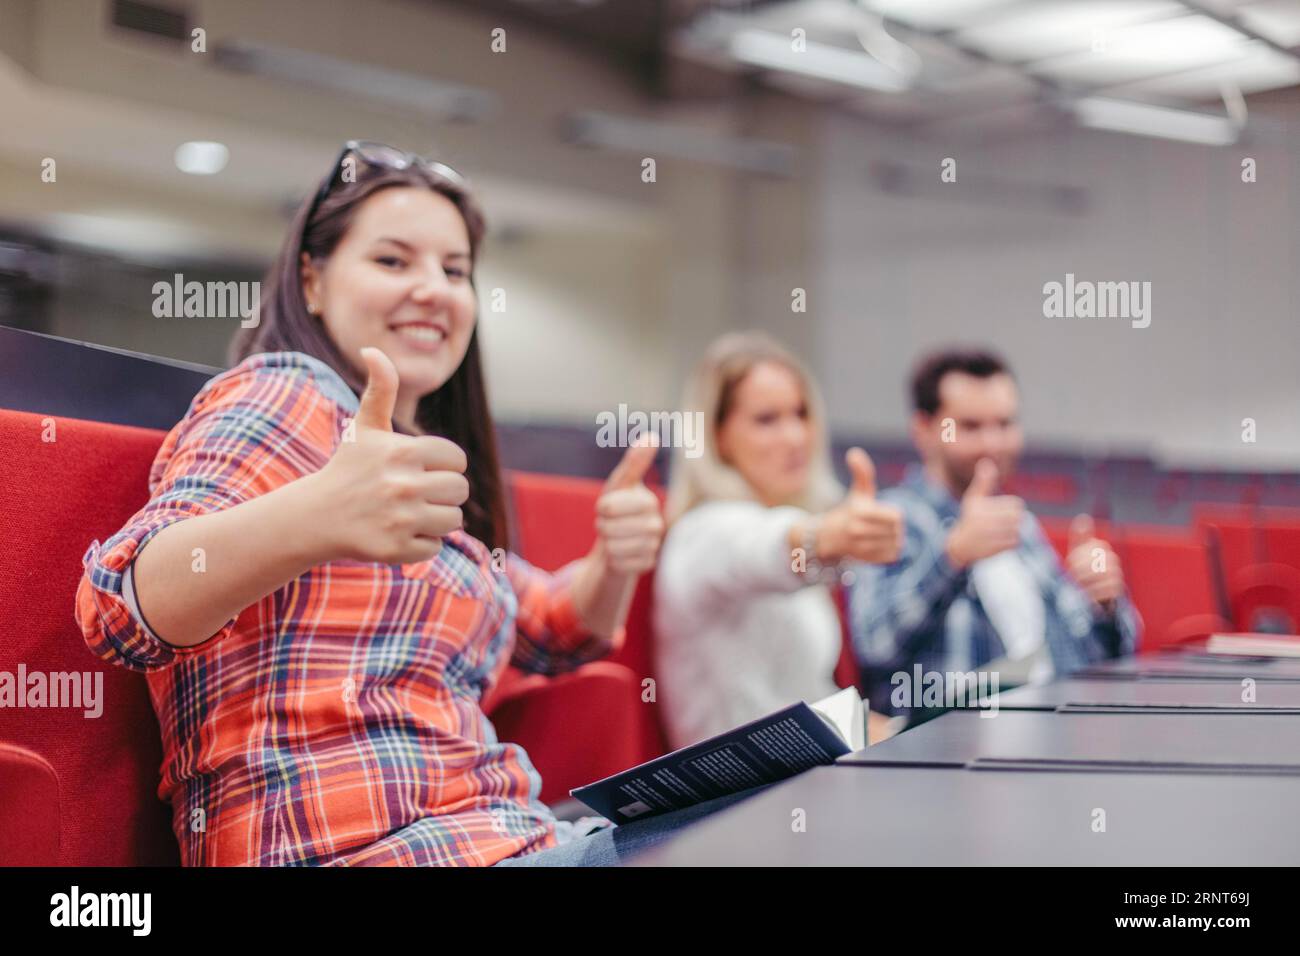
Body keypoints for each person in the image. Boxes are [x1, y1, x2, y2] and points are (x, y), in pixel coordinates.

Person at [75, 141, 698, 867]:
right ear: (311, 280)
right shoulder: (287, 394)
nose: (433, 288)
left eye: (455, 269)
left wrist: (615, 560)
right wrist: (318, 516)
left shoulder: (401, 470)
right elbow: (117, 606)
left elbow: (557, 633)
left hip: (498, 838)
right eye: (393, 261)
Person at [848, 348, 1139, 720]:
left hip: (1054, 736)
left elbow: (1097, 657)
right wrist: (952, 557)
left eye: (1004, 424)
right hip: (948, 753)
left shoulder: (1021, 525)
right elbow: (875, 645)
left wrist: (1105, 605)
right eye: (970, 427)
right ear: (923, 431)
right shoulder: (891, 519)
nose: (993, 444)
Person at [654, 332, 904, 751]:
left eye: (801, 414)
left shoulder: (772, 524)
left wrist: (892, 733)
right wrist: (823, 537)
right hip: (737, 803)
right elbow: (758, 548)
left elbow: (810, 698)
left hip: (812, 779)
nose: (795, 437)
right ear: (716, 436)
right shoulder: (703, 533)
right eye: (766, 419)